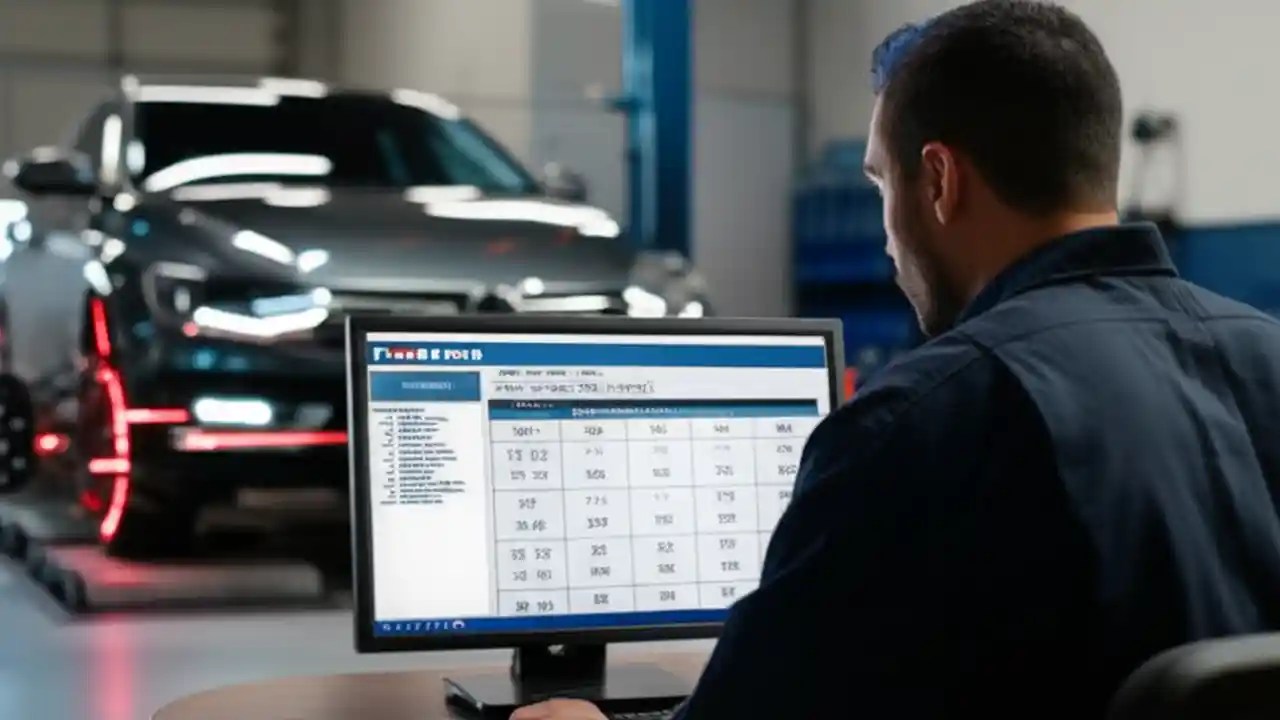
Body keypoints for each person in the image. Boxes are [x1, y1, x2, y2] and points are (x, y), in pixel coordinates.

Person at [513, 1, 1280, 717]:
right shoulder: (1266, 354)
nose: (886, 235)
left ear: (940, 181)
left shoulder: (928, 419)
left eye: (882, 182)